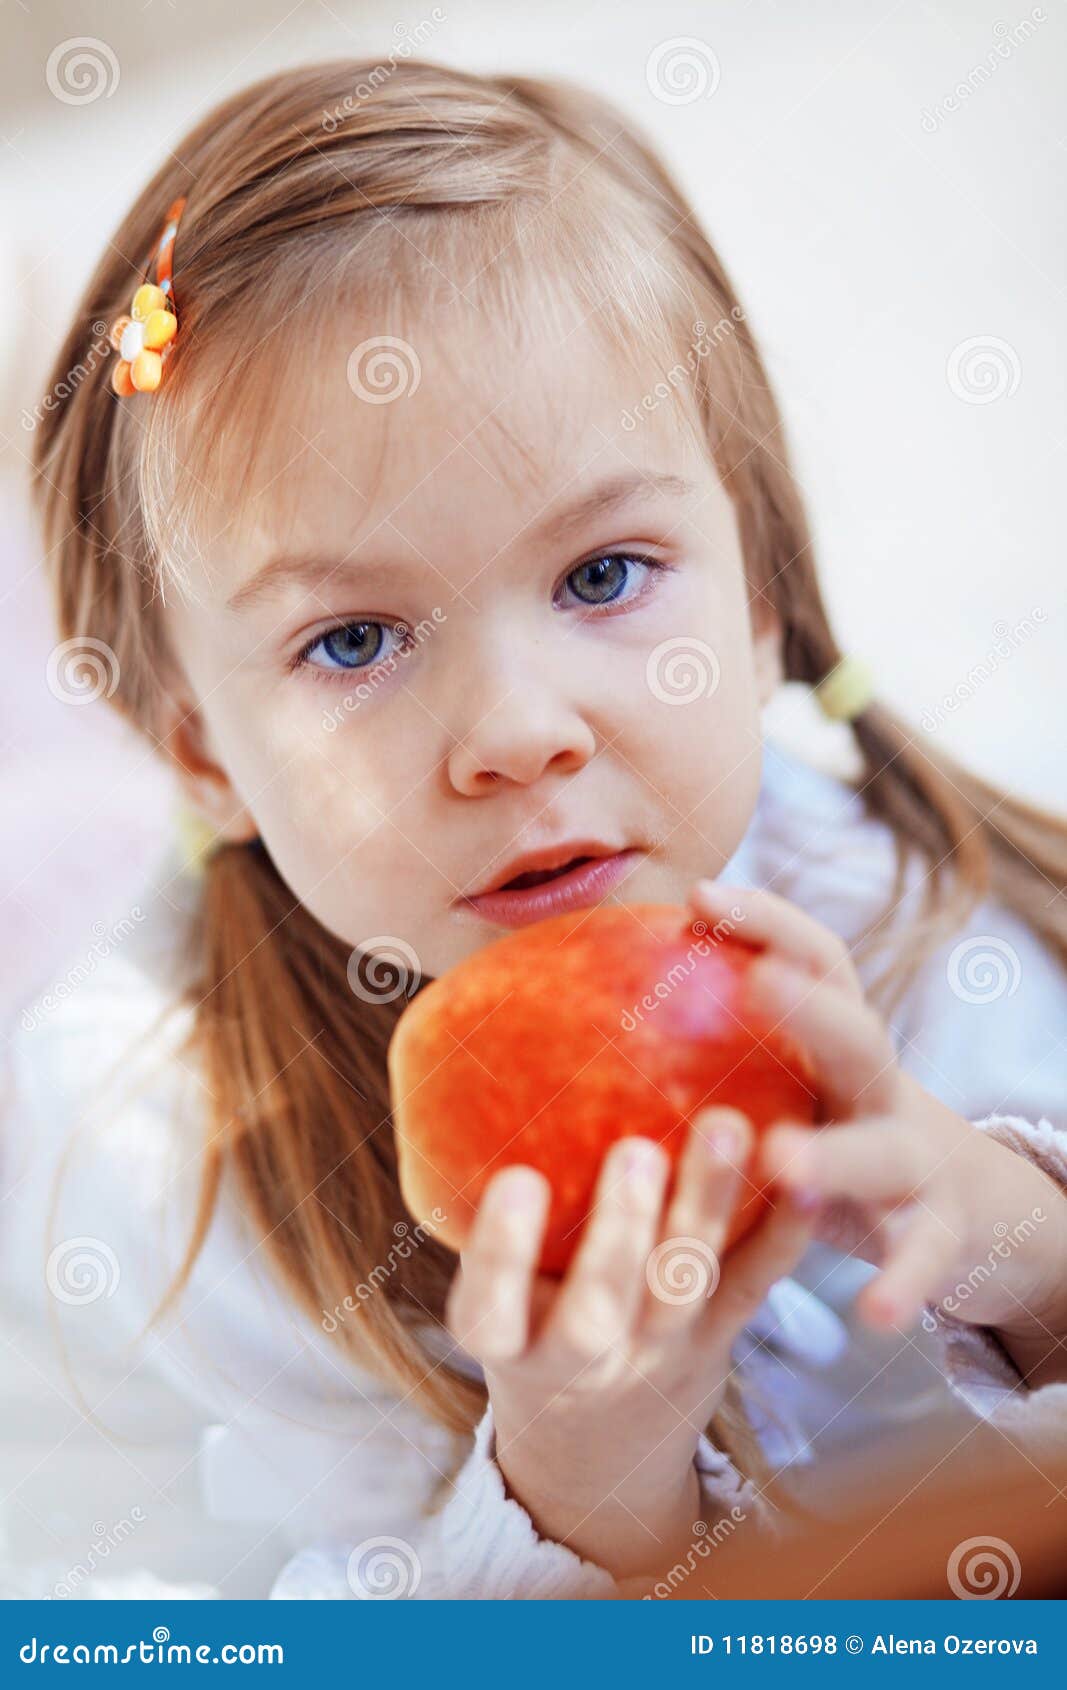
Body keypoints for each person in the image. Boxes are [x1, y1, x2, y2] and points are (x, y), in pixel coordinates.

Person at [6, 58, 1066, 1600]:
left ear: (762, 596)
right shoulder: (179, 1166)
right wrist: (574, 1487)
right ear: (204, 757)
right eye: (356, 641)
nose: (517, 730)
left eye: (602, 576)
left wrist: (1012, 1237)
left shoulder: (926, 923)